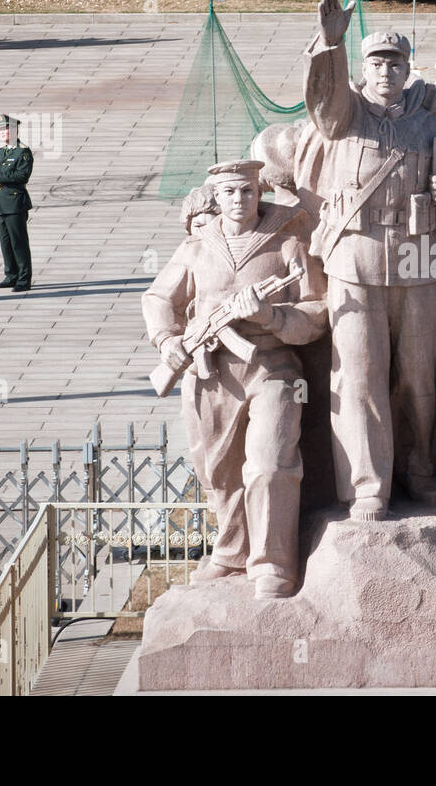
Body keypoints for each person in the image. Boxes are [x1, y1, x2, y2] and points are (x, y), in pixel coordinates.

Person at [296, 0, 436, 520]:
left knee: (417, 377)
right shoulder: (345, 114)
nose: (386, 71)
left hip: (417, 262)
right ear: (364, 69)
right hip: (355, 260)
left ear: (407, 70)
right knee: (359, 377)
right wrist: (329, 44)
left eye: (395, 63)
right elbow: (322, 103)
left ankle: (420, 467)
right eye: (377, 62)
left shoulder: (427, 122)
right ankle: (368, 485)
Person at [142, 160, 329, 598]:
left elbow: (318, 312)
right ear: (217, 196)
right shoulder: (196, 248)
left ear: (258, 192)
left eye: (246, 191)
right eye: (229, 193)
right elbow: (158, 297)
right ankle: (230, 553)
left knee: (269, 463)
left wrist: (271, 315)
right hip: (211, 371)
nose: (239, 200)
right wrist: (168, 341)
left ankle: (273, 562)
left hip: (272, 367)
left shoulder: (287, 242)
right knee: (219, 471)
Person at [0, 114, 33, 291]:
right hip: (2, 202)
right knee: (5, 242)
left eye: (5, 129)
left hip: (15, 202)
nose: (1, 132)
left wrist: (0, 176)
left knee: (18, 242)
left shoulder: (23, 151)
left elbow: (23, 175)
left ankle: (23, 278)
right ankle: (11, 274)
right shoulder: (2, 151)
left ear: (13, 130)